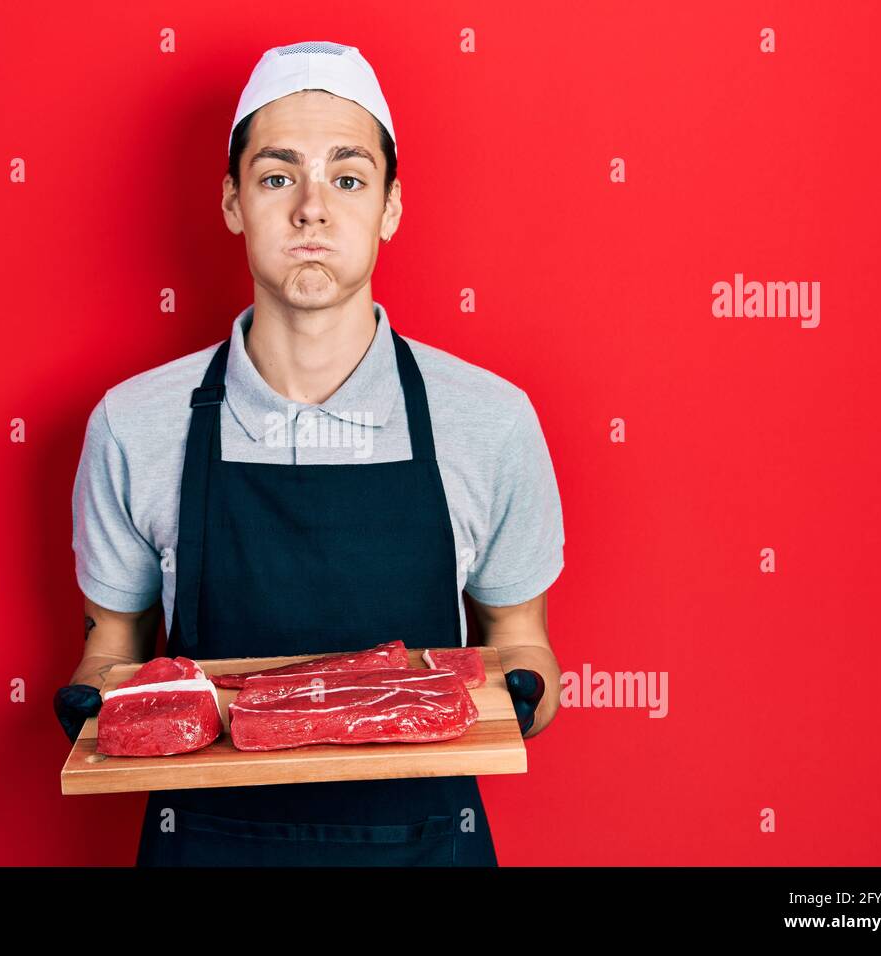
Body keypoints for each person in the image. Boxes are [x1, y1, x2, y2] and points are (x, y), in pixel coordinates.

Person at [55, 40, 564, 866]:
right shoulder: (134, 423)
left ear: (391, 207)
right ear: (232, 201)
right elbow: (110, 650)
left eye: (349, 178)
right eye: (278, 176)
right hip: (206, 848)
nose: (312, 210)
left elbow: (524, 641)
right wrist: (94, 705)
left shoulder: (491, 420)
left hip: (426, 846)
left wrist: (520, 695)